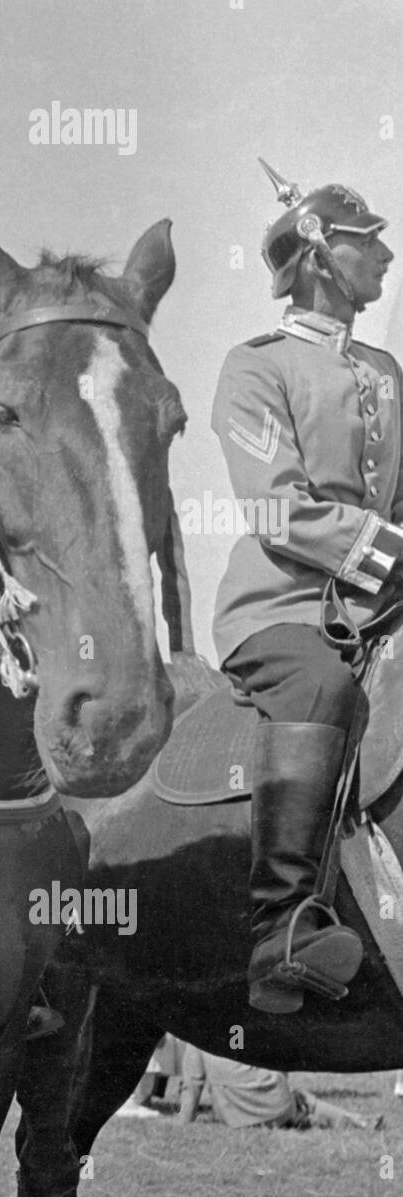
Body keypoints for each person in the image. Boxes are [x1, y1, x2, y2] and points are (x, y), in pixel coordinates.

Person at [212, 160, 401, 1015]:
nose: (386, 256)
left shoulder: (384, 370)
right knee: (322, 687)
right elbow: (276, 509)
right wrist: (389, 555)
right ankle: (281, 925)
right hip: (282, 609)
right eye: (369, 242)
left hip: (380, 600)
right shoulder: (254, 368)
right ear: (321, 256)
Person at [178, 1044, 381, 1130]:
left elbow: (192, 1086)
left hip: (237, 1116)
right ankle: (357, 1120)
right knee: (299, 1099)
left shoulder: (196, 1038)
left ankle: (305, 1119)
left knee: (297, 1103)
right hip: (277, 1101)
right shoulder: (242, 1022)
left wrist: (183, 1122)